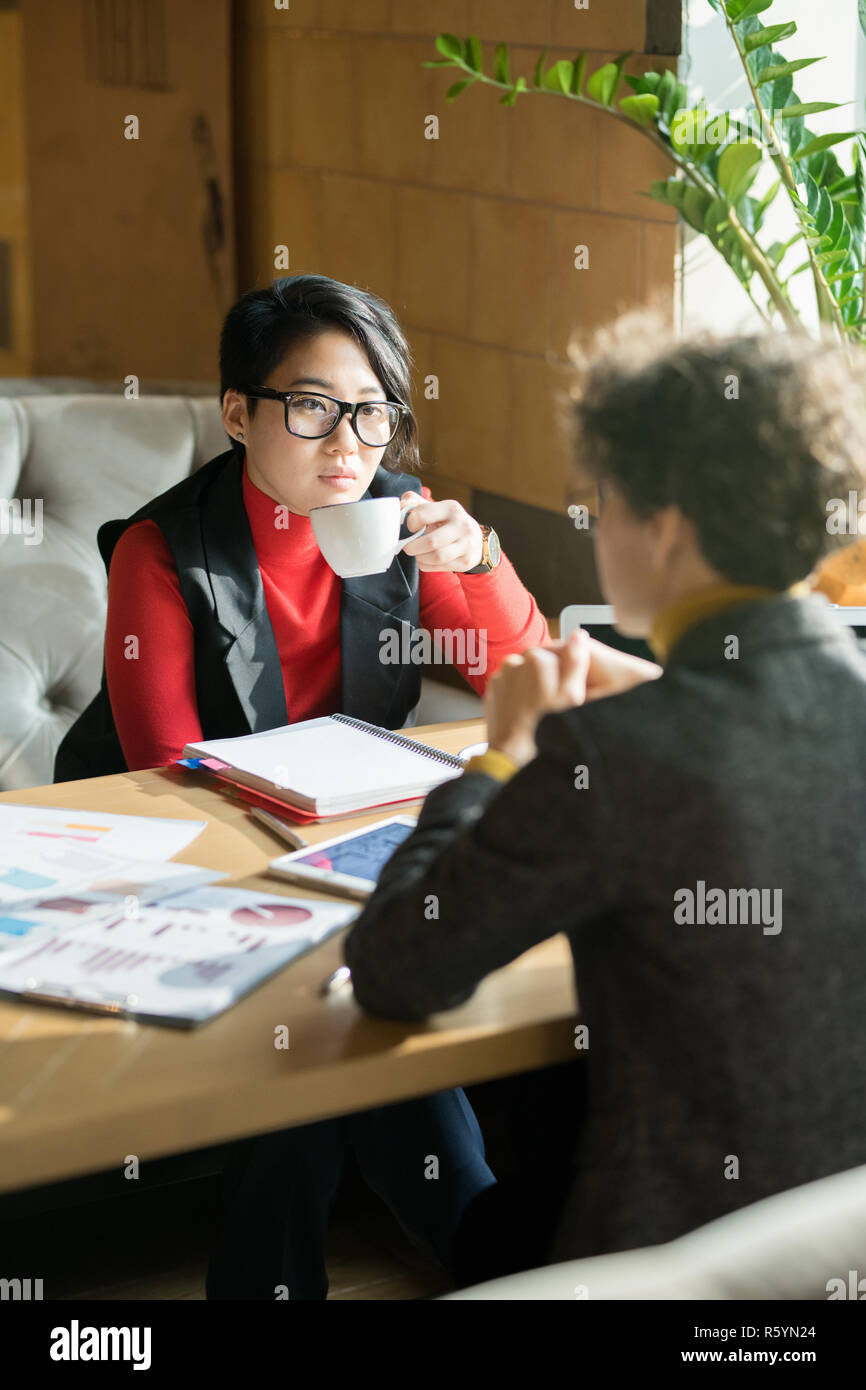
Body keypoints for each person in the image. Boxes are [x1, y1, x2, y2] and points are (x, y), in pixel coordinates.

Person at [53, 273, 552, 1298]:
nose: (350, 444)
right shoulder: (163, 549)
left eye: (373, 413)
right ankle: (480, 1255)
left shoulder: (402, 514)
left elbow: (527, 672)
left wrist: (483, 557)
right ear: (239, 413)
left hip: (340, 848)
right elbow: (167, 770)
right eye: (314, 406)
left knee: (340, 1019)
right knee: (342, 1010)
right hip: (178, 860)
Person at [343, 312, 866, 1286]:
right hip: (832, 1248)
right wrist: (661, 698)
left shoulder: (610, 759)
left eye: (600, 502)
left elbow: (397, 965)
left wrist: (499, 758)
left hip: (661, 1264)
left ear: (662, 525)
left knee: (483, 1210)